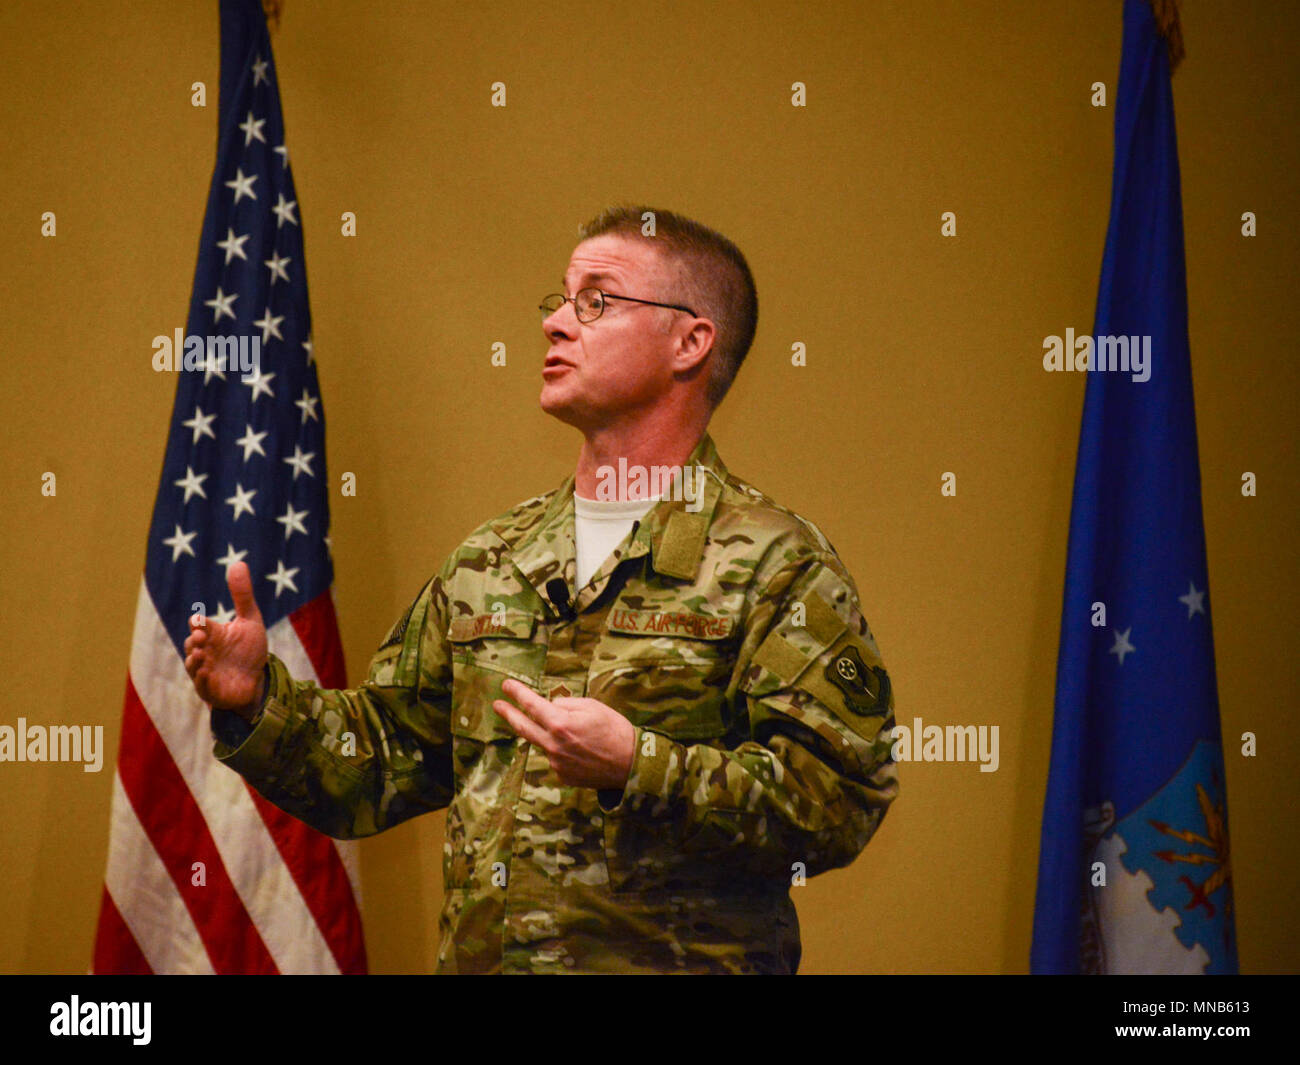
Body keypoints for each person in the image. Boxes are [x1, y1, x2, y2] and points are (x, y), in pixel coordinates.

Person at [183, 204, 899, 974]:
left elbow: (838, 800)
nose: (557, 323)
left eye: (597, 300)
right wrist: (258, 699)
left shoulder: (775, 564)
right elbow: (380, 763)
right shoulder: (493, 557)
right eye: (559, 299)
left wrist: (640, 764)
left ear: (691, 342)